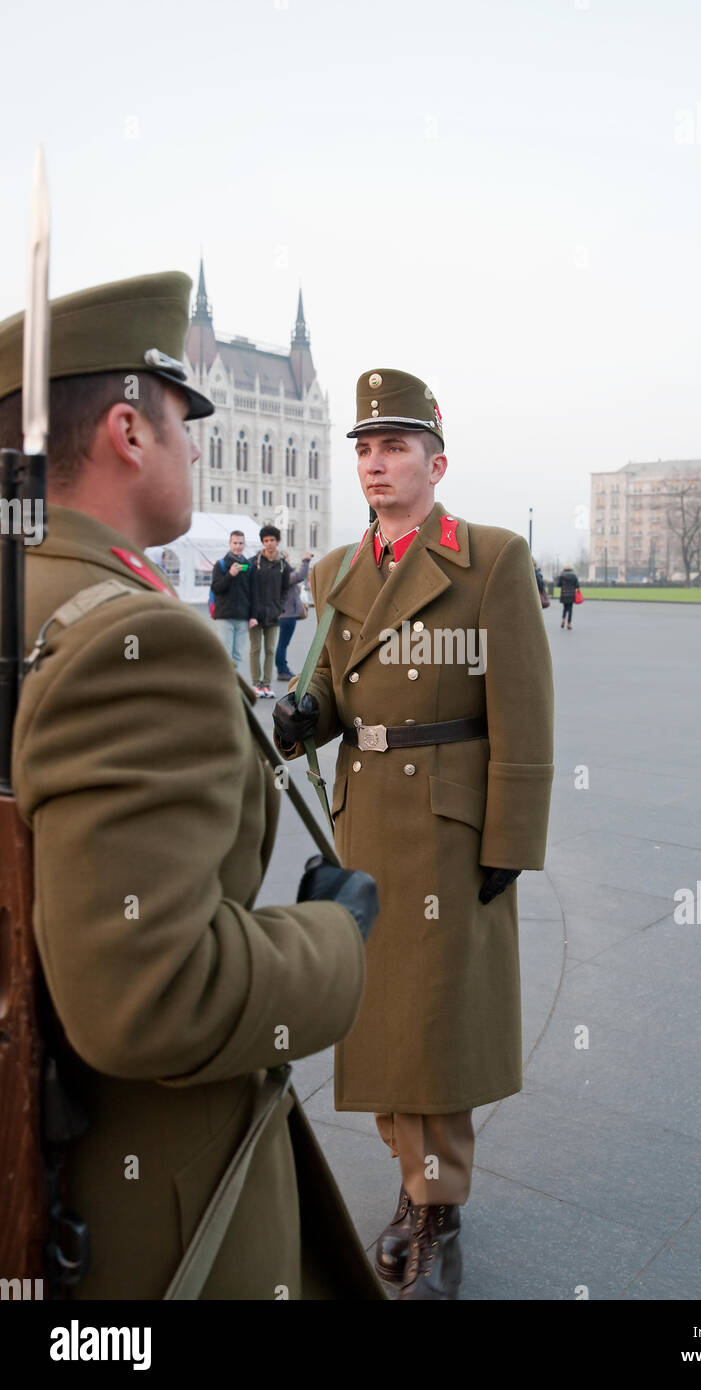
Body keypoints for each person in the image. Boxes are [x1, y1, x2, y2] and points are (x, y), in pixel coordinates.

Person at [0, 272, 384, 1300]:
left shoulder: (24, 590)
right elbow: (152, 995)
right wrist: (330, 942)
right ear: (128, 430)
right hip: (129, 1206)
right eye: (185, 418)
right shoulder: (134, 638)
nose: (199, 445)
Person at [273, 368, 554, 1300]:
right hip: (369, 825)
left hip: (448, 824)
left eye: (393, 446)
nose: (375, 463)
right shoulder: (335, 572)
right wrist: (299, 717)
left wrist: (510, 838)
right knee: (386, 1018)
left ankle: (434, 1212)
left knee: (438, 1024)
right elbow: (342, 701)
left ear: (436, 461)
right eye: (362, 447)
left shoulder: (491, 558)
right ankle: (414, 1186)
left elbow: (523, 709)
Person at [249, 524, 290, 697]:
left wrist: (280, 607)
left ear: (277, 541)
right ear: (262, 542)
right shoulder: (253, 563)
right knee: (255, 649)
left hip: (273, 614)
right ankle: (256, 684)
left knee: (270, 650)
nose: (269, 543)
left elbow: (285, 589)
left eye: (272, 540)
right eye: (266, 540)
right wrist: (250, 613)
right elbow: (247, 589)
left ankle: (266, 684)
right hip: (255, 614)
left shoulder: (283, 566)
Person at [211, 528, 256, 670]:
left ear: (244, 545)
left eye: (241, 543)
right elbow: (216, 588)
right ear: (230, 544)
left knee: (237, 655)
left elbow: (253, 593)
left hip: (243, 617)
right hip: (224, 616)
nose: (238, 546)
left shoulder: (249, 567)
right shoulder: (221, 564)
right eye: (235, 543)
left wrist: (253, 616)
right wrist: (230, 574)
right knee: (225, 654)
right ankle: (222, 686)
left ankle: (234, 686)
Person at [276, 549, 312, 680]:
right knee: (283, 643)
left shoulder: (282, 573)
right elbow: (300, 576)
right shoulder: (282, 574)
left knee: (283, 643)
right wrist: (306, 560)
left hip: (287, 613)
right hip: (287, 614)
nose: (287, 560)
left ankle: (283, 668)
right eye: (285, 558)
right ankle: (282, 669)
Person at [556, 564, 580, 629]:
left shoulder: (562, 575)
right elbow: (577, 585)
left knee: (565, 608)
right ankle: (569, 624)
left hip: (564, 594)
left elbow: (558, 584)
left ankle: (563, 620)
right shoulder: (574, 576)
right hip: (571, 594)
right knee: (570, 609)